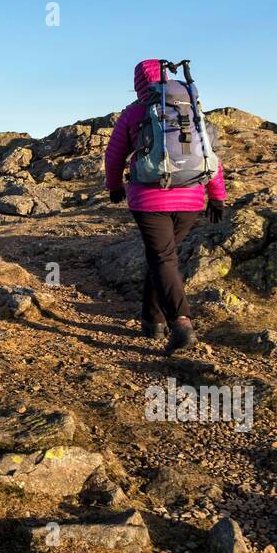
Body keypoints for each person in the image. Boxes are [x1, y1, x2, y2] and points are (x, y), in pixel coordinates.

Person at [104, 59, 227, 353]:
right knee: (162, 258)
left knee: (163, 259)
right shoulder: (192, 110)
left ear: (138, 83)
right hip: (191, 199)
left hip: (150, 199)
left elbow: (115, 154)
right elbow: (209, 155)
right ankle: (152, 321)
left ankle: (181, 323)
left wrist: (114, 187)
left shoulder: (135, 113)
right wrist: (217, 196)